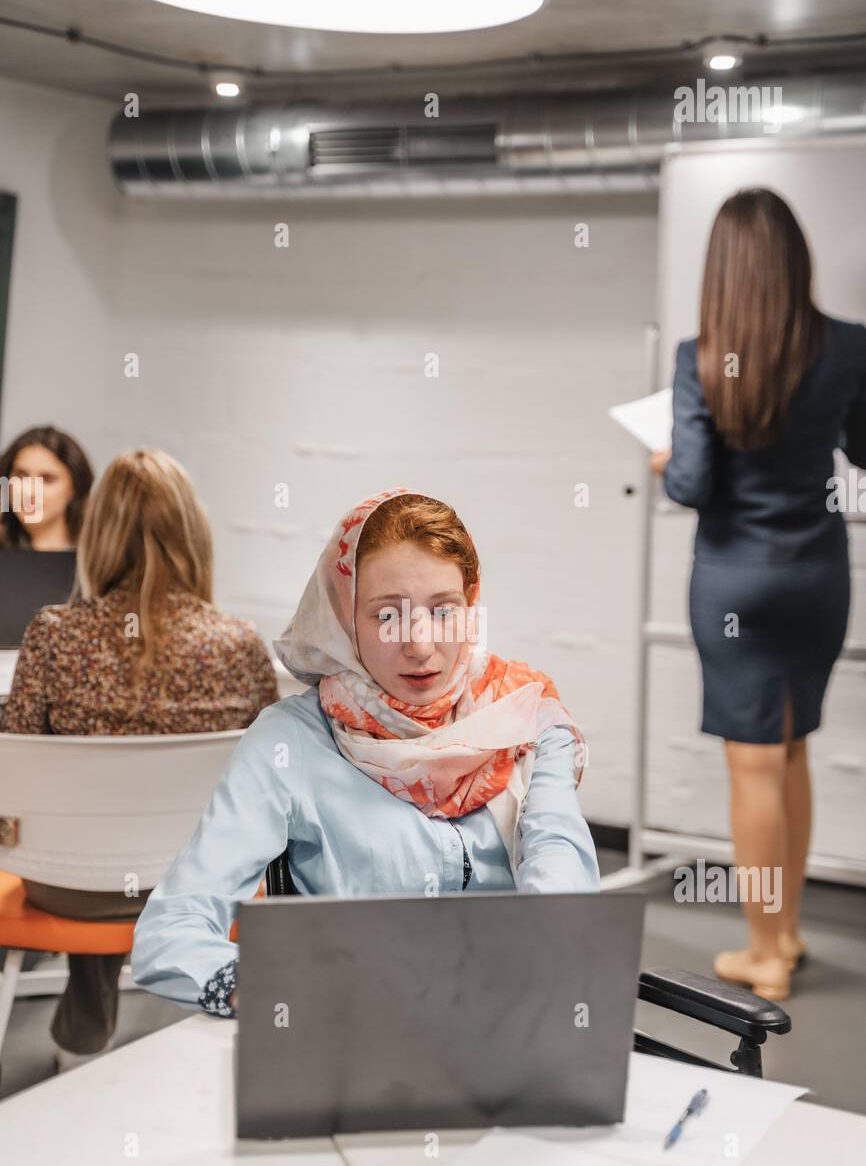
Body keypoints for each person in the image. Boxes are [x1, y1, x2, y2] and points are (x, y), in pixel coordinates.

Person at [132, 488, 600, 1017]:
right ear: (342, 618)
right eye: (386, 616)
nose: (420, 644)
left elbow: (562, 888)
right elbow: (170, 930)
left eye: (443, 610)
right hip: (352, 1034)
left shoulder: (527, 718)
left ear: (471, 603)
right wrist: (273, 987)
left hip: (508, 1025)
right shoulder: (290, 742)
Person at [652, 188, 866, 1002]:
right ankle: (789, 930)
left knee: (754, 767)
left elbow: (694, 482)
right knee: (794, 748)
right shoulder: (848, 348)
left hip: (736, 582)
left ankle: (766, 952)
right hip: (816, 578)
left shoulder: (700, 358)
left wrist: (664, 461)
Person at [3, 449, 278, 1064]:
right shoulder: (239, 644)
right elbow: (268, 778)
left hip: (68, 886)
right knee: (150, 846)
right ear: (192, 533)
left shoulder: (51, 633)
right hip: (200, 886)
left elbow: (13, 768)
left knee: (98, 848)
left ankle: (83, 1034)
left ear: (97, 536)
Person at [0, 425, 94, 549]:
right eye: (21, 476)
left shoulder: (96, 559)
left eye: (47, 479)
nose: (30, 491)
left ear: (75, 488)